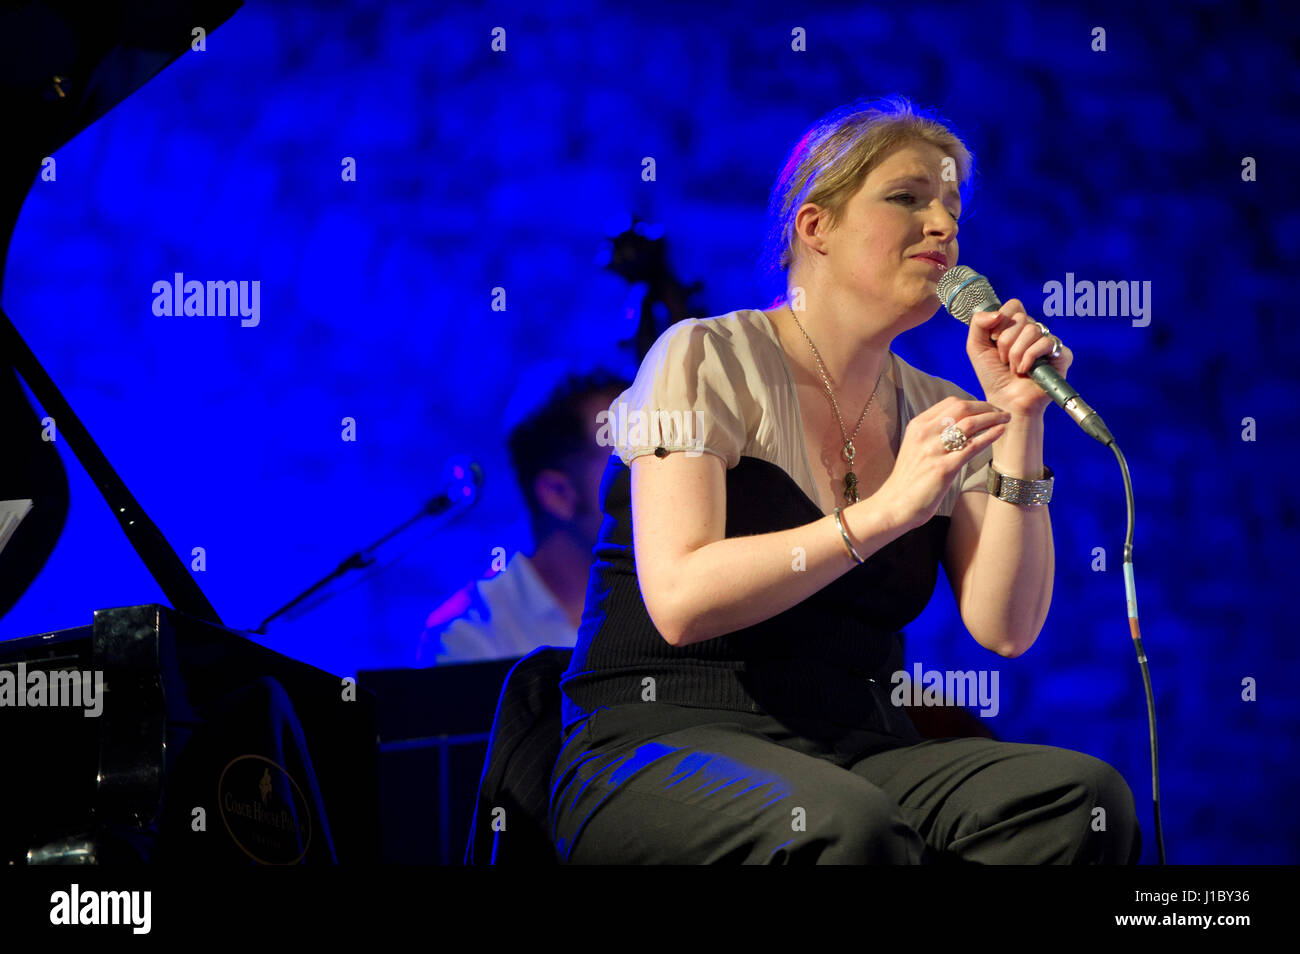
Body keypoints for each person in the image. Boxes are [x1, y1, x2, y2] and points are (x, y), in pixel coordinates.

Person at [548, 96, 1142, 864]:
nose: (944, 227)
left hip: (856, 746)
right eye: (908, 198)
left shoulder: (939, 408)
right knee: (844, 825)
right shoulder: (706, 358)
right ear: (815, 227)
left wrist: (1019, 419)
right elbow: (682, 602)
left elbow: (1007, 627)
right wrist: (888, 512)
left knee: (1078, 801)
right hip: (662, 737)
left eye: (952, 206)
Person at [416, 367, 629, 665]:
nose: (658, 477)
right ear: (557, 494)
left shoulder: (665, 597)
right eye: (627, 461)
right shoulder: (469, 637)